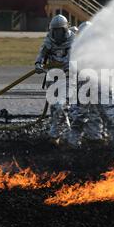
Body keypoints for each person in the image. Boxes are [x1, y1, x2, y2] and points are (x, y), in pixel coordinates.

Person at [68, 21, 114, 150]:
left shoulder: (102, 50)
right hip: (84, 87)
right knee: (79, 116)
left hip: (101, 85)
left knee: (108, 115)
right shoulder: (77, 50)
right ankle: (75, 142)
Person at [35, 14, 75, 145]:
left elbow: (75, 58)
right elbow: (41, 54)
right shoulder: (48, 41)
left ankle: (65, 134)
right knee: (54, 108)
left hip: (67, 77)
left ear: (65, 29)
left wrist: (71, 66)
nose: (57, 34)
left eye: (60, 31)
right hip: (53, 77)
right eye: (55, 31)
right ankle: (57, 136)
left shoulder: (73, 41)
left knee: (61, 106)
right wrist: (38, 65)